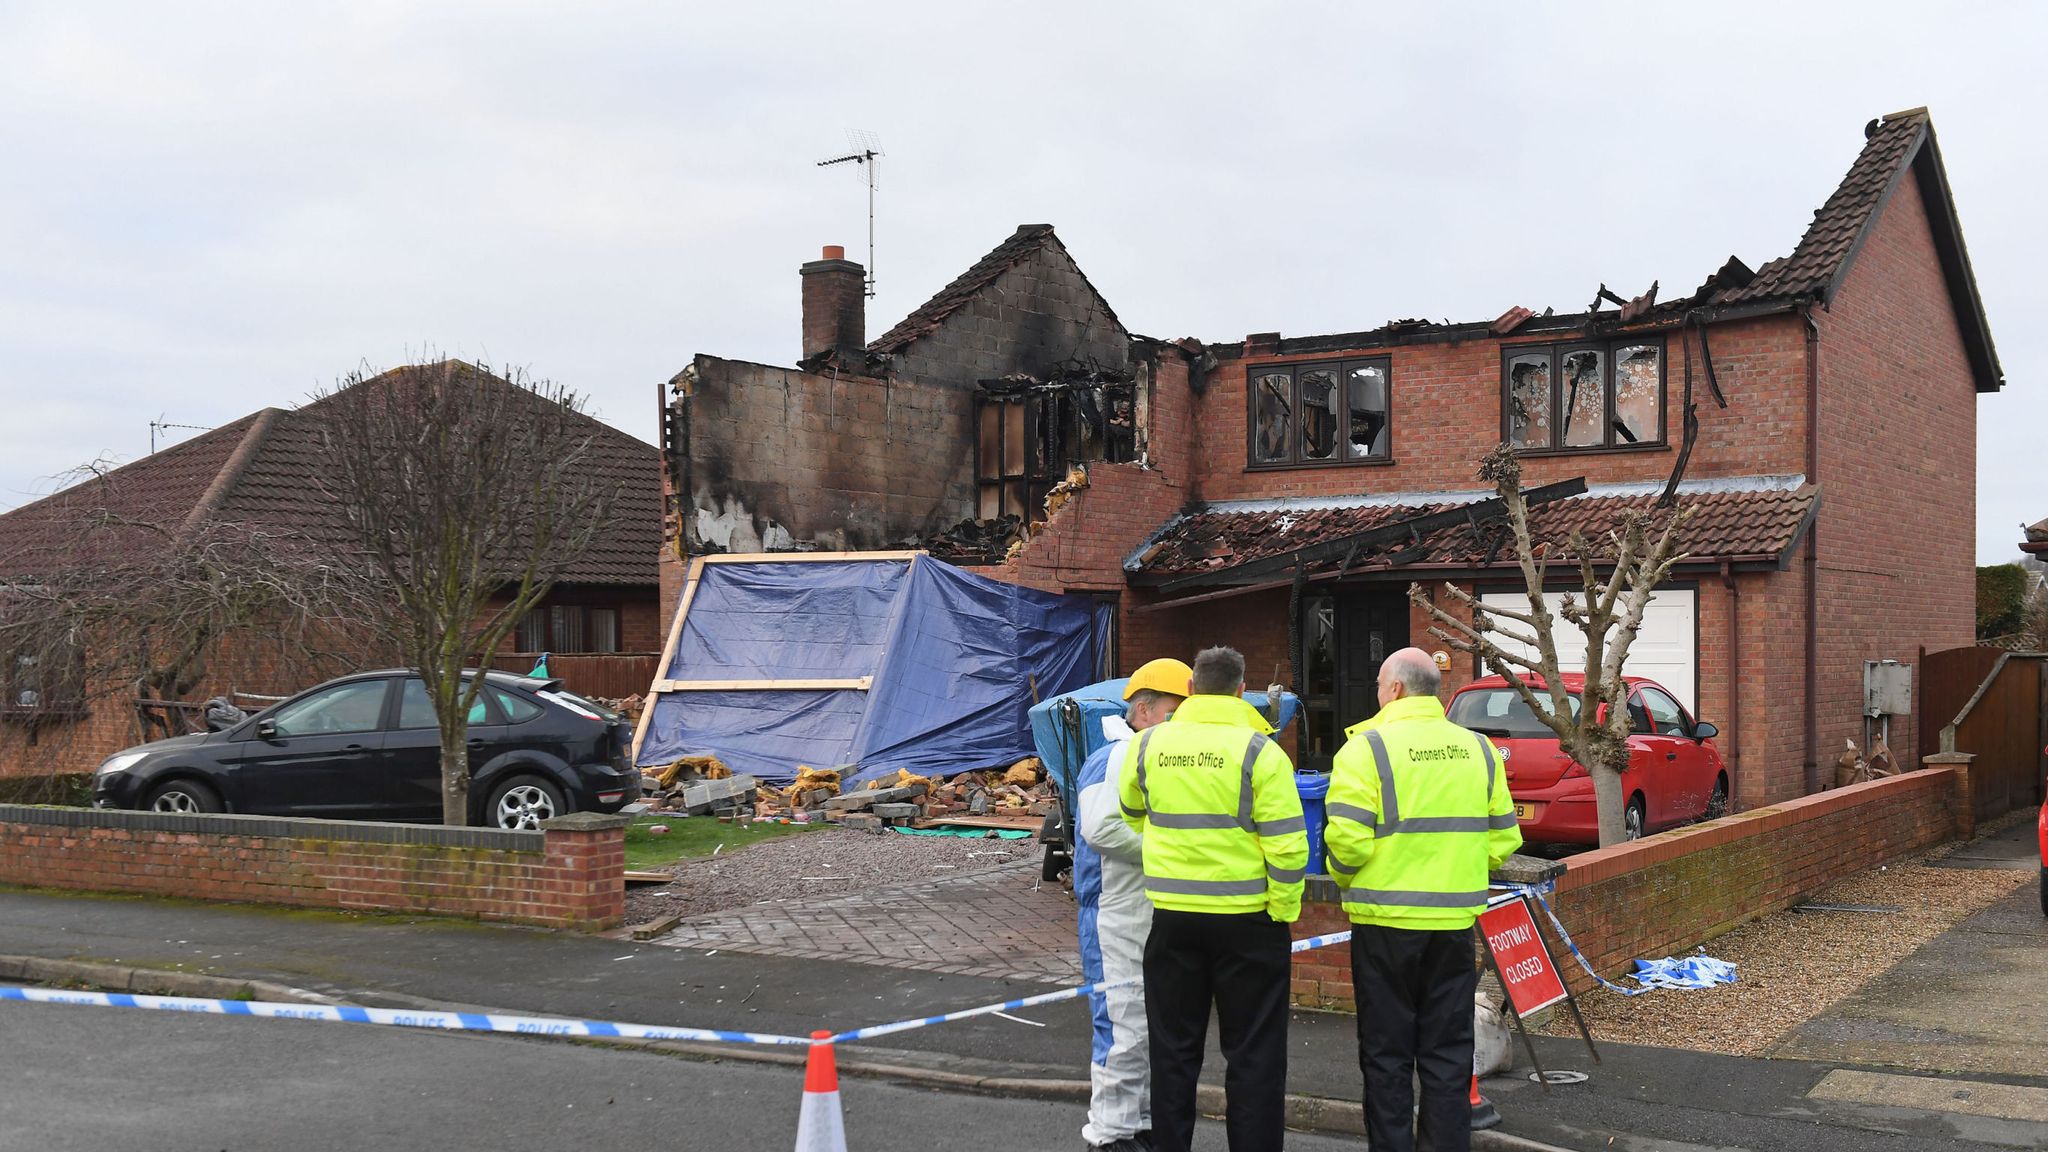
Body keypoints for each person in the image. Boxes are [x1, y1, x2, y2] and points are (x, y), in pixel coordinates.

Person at [1323, 648, 1522, 1152]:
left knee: (1387, 1055)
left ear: (1394, 689)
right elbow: (1504, 837)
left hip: (1385, 922)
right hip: (1452, 923)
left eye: (1377, 686)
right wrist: (1460, 868)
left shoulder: (1365, 749)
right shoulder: (1478, 750)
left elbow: (1345, 841)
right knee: (1448, 1052)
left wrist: (1345, 879)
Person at [1118, 646, 1308, 1152]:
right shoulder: (1261, 751)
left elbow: (1133, 812)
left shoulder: (1148, 745)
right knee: (1254, 1057)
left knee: (1173, 1054)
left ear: (1192, 689)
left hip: (1174, 921)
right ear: (1241, 689)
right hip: (1249, 922)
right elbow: (1289, 847)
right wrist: (1282, 911)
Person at [1073, 658, 1189, 1152]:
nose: (1181, 723)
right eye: (1174, 711)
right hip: (1114, 913)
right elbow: (1100, 829)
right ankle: (1111, 1133)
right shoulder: (1114, 757)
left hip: (1136, 908)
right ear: (1143, 711)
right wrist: (1171, 849)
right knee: (1123, 1025)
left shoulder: (1145, 754)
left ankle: (1135, 1124)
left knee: (1143, 1024)